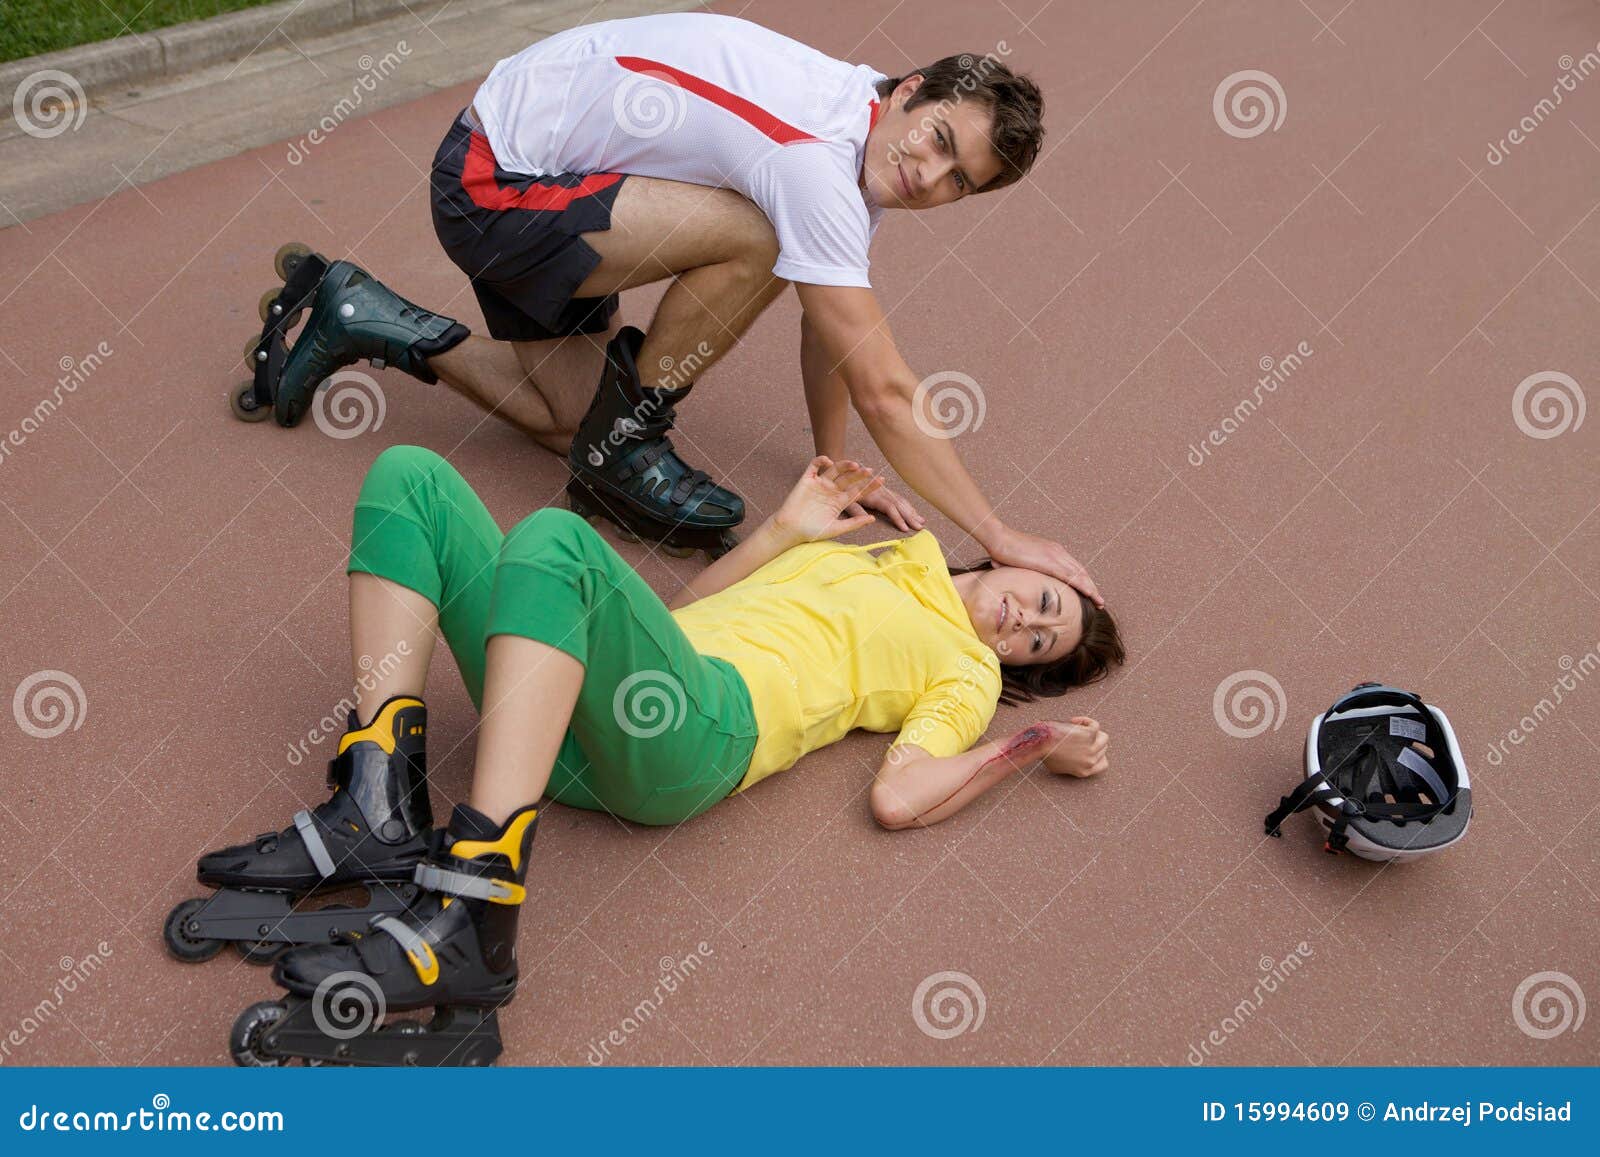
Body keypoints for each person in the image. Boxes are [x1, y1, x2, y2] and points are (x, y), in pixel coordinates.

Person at [212, 445, 1122, 1065]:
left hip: (701, 733)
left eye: (1038, 646)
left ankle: (477, 913)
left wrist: (1031, 745)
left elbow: (901, 795)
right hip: (591, 705)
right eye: (1044, 602)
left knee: (556, 542)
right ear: (1022, 562)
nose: (1024, 624)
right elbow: (680, 619)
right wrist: (782, 532)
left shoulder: (966, 670)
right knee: (412, 477)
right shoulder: (893, 553)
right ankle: (378, 806)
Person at [251, 11, 1100, 598]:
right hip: (492, 184)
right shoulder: (817, 160)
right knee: (761, 238)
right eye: (940, 140)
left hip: (543, 163)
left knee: (570, 424)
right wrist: (997, 534)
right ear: (912, 89)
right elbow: (882, 384)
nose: (930, 176)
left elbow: (833, 328)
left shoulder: (863, 119)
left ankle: (358, 312)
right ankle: (632, 442)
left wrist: (834, 465)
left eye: (959, 182)